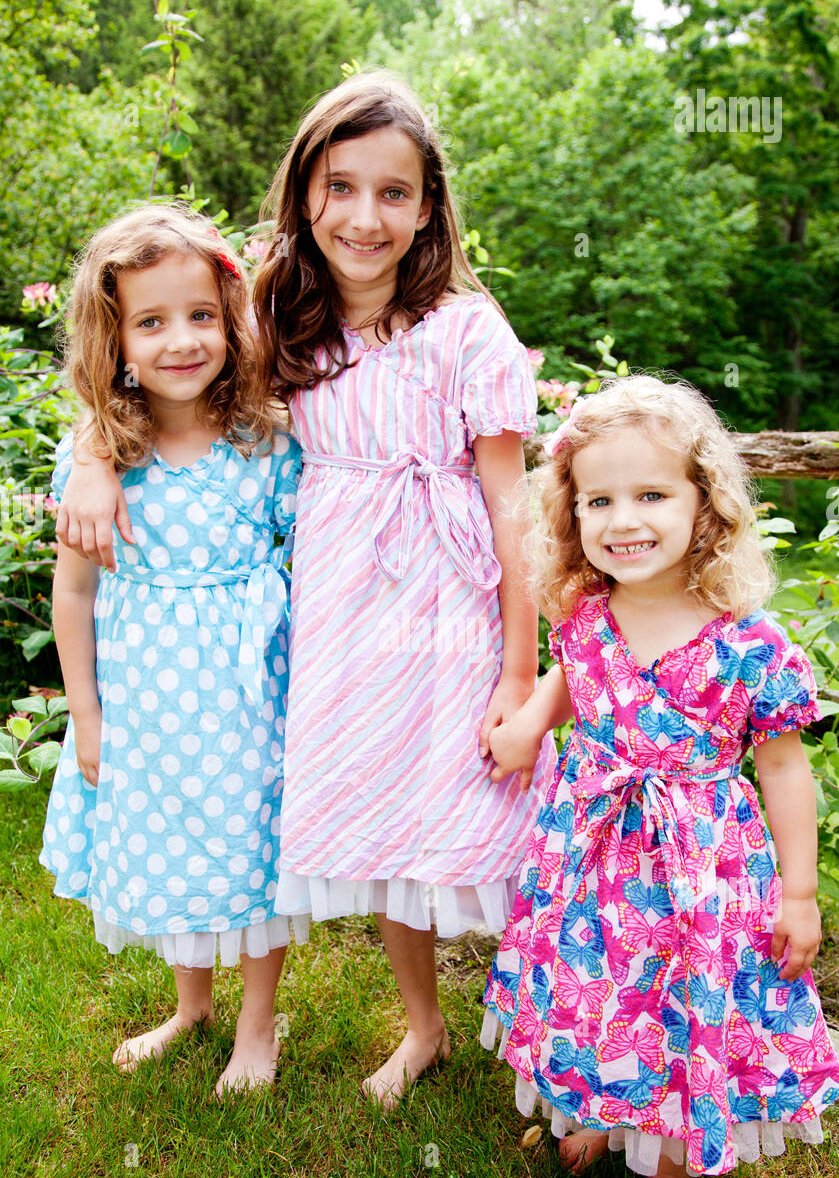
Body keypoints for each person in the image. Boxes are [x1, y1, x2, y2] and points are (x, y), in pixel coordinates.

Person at [54, 71, 556, 1108]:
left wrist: (521, 665)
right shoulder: (280, 306)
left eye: (394, 192)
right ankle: (423, 1031)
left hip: (448, 611)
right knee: (379, 824)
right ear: (303, 193)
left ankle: (558, 1030)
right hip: (334, 614)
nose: (364, 217)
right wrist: (100, 454)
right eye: (340, 187)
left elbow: (513, 508)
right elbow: (156, 362)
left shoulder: (467, 328)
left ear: (428, 207)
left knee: (473, 816)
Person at [481, 375, 839, 1178]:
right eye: (599, 499)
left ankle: (669, 1173)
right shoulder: (587, 613)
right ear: (571, 515)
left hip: (698, 868)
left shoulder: (747, 640)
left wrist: (798, 894)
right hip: (592, 851)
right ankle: (604, 1120)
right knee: (601, 990)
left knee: (681, 1007)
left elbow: (786, 770)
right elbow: (578, 675)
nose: (624, 520)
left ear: (704, 504)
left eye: (652, 494)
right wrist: (532, 719)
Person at [41, 204, 303, 1094]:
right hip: (145, 700)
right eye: (150, 322)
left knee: (249, 851)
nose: (180, 341)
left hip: (244, 695)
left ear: (229, 320)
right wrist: (86, 713)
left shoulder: (264, 441)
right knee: (172, 848)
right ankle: (191, 1006)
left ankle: (256, 1026)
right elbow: (73, 592)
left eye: (199, 316)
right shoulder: (106, 456)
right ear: (114, 339)